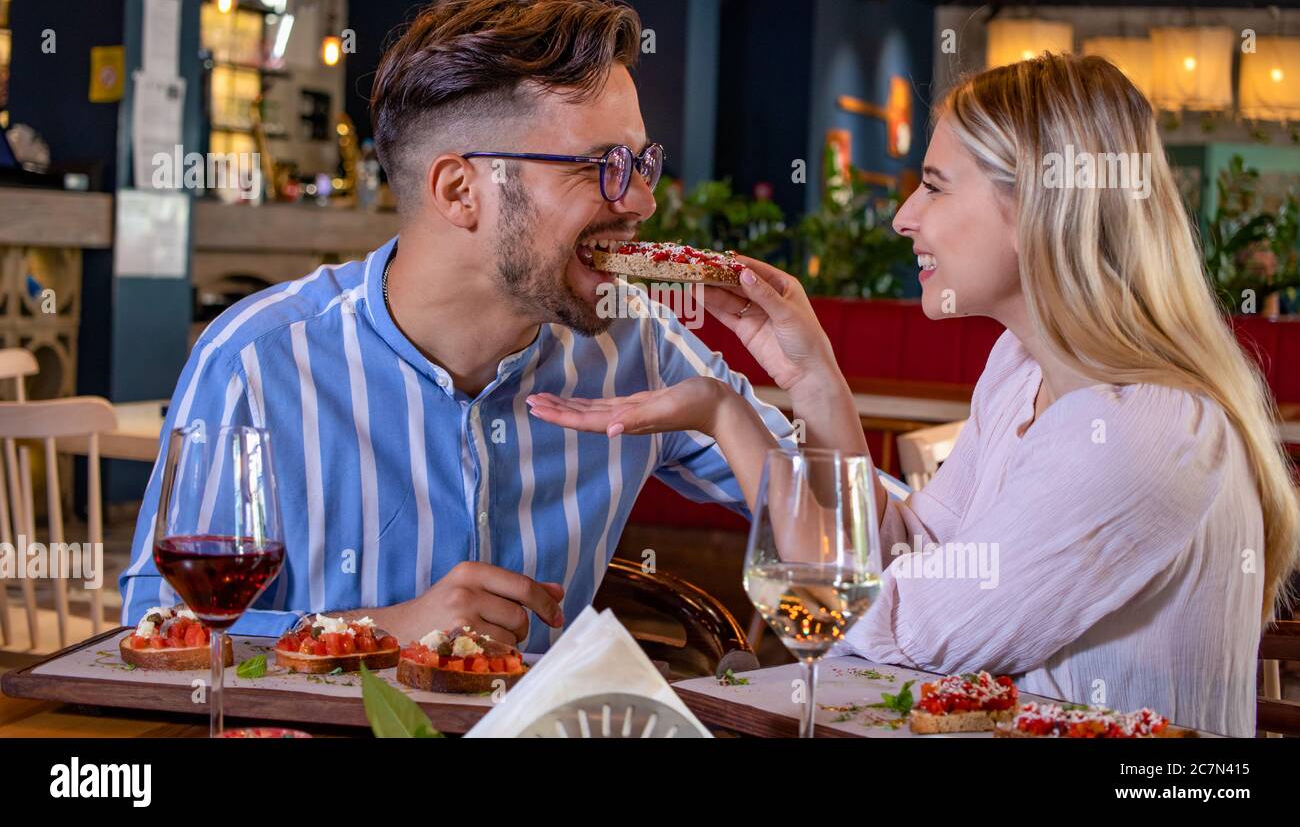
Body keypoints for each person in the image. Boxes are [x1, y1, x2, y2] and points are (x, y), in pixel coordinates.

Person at [529, 53, 1300, 735]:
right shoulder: (1022, 369)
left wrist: (726, 415)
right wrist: (817, 382)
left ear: (1037, 206)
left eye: (933, 186)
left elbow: (885, 620)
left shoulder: (1140, 432)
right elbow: (905, 556)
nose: (905, 217)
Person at [120, 0, 828, 652]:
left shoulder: (638, 346)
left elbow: (855, 564)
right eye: (601, 166)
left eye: (641, 163)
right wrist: (379, 632)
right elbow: (154, 638)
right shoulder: (258, 361)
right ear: (461, 191)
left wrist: (810, 379)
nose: (641, 200)